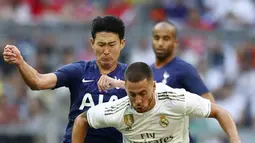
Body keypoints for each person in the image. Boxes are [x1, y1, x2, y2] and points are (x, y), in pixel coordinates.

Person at [2, 16, 128, 143]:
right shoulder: (79, 71)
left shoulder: (130, 76)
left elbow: (148, 95)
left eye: (112, 44)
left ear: (122, 44)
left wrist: (119, 84)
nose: (106, 51)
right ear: (92, 43)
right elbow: (38, 82)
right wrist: (20, 62)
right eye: (101, 44)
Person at [72, 62, 241, 143]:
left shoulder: (176, 100)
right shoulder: (118, 111)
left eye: (143, 93)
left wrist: (235, 140)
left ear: (153, 87)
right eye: (132, 94)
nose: (138, 101)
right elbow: (82, 120)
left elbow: (220, 112)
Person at [151, 21, 215, 142]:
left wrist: (181, 110)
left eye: (166, 39)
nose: (160, 43)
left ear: (175, 42)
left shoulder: (184, 69)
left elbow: (209, 102)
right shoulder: (148, 71)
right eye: (156, 38)